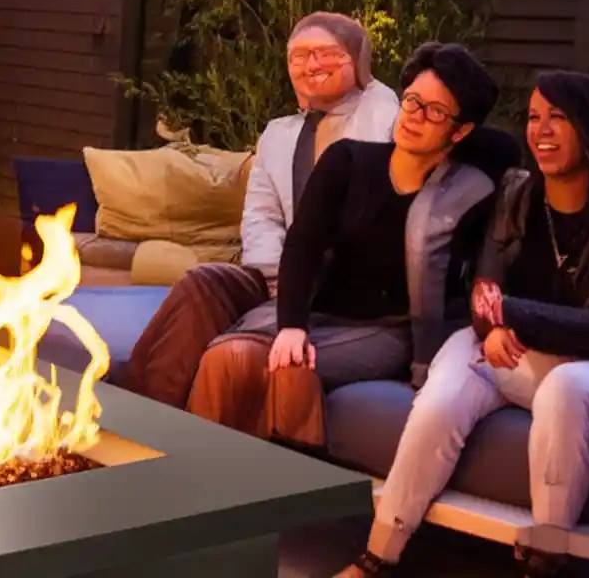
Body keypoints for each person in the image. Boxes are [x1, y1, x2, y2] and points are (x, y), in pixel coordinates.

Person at [340, 72, 589, 578]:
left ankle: (546, 561)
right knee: (440, 399)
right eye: (534, 117)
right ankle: (377, 556)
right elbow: (486, 286)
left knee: (566, 388)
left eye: (559, 118)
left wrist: (507, 313)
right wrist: (490, 326)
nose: (541, 130)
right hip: (510, 348)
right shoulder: (519, 192)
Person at [186, 42, 518, 445]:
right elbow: (302, 244)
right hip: (320, 314)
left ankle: (294, 493)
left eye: (434, 112)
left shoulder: (461, 195)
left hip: (386, 333)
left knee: (259, 363)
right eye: (412, 101)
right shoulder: (350, 160)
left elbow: (507, 150)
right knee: (229, 355)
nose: (414, 117)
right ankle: (196, 476)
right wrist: (292, 325)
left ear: (461, 130)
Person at [122, 11, 401, 407]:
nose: (312, 65)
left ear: (358, 61)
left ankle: (166, 421)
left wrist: (368, 83)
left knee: (232, 347)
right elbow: (261, 215)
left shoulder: (383, 117)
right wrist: (279, 280)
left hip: (344, 287)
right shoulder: (278, 134)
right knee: (203, 282)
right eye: (300, 56)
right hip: (279, 276)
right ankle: (145, 409)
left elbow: (383, 116)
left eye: (328, 54)